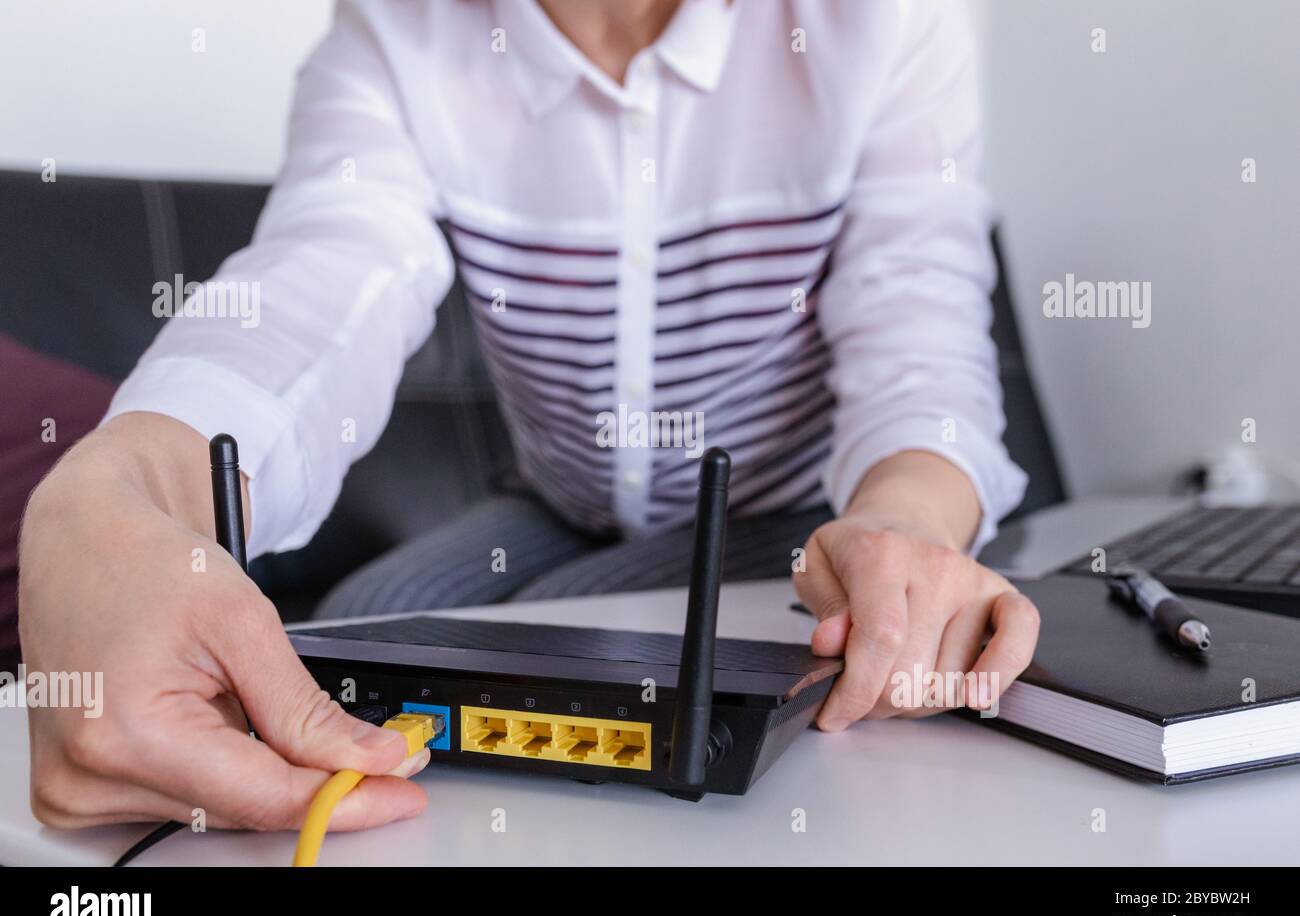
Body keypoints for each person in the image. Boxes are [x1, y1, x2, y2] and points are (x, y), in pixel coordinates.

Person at [18, 0, 1039, 832]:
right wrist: (120, 485)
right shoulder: (393, 38)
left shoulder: (887, 25)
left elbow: (919, 321)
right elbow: (321, 289)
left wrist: (904, 520)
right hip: (554, 498)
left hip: (794, 523)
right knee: (359, 630)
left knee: (571, 639)